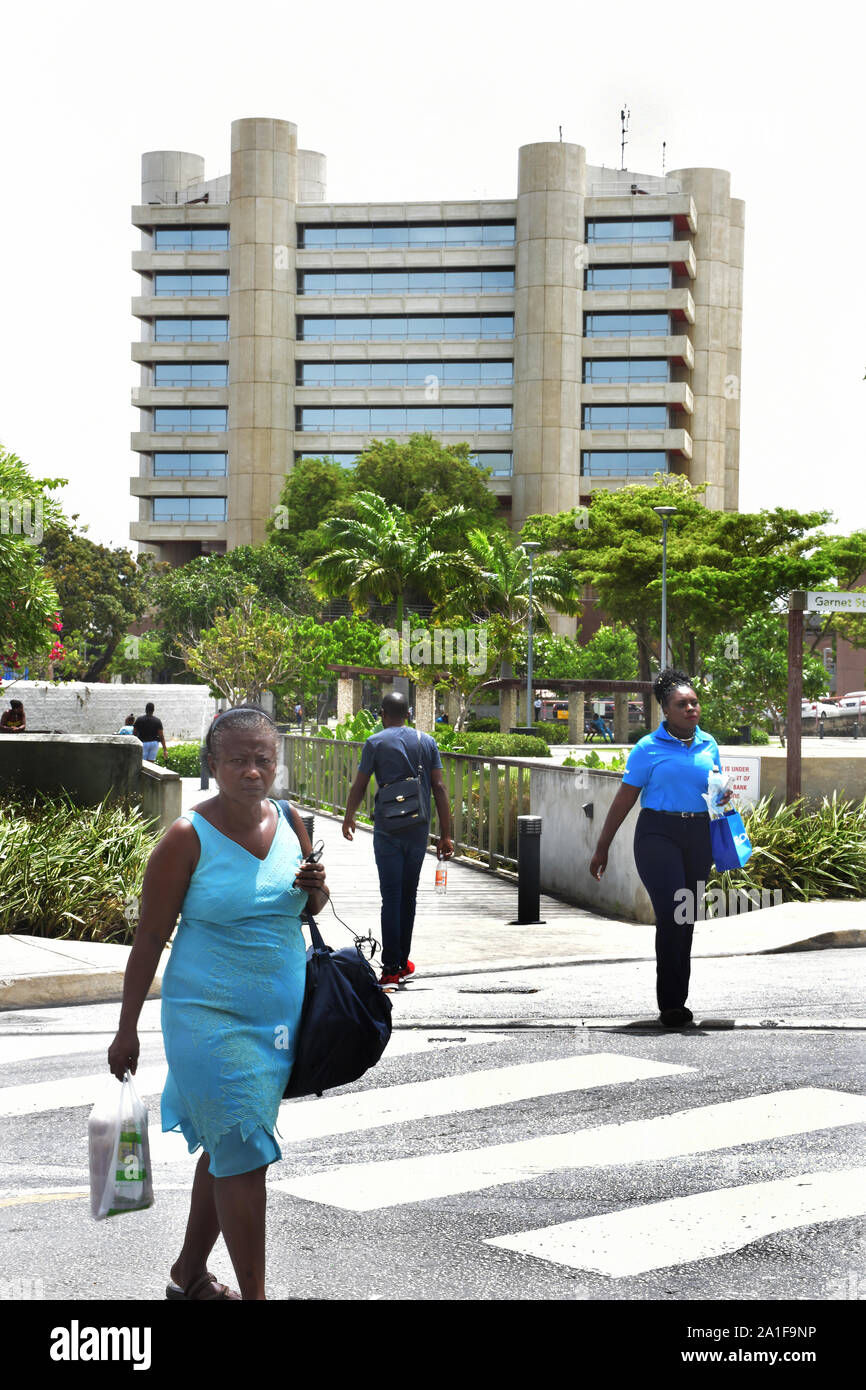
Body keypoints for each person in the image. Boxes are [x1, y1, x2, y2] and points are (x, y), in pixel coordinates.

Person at [107, 705, 328, 1300]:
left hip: (275, 1021)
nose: (253, 771)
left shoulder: (293, 821)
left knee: (228, 1141)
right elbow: (149, 938)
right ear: (213, 764)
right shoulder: (186, 837)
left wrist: (317, 892)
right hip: (204, 1016)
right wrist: (125, 1029)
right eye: (238, 760)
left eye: (264, 759)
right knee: (245, 1144)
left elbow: (306, 912)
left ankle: (188, 1273)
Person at [589, 668, 731, 1029]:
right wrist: (602, 847)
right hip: (658, 833)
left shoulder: (709, 744)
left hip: (698, 833)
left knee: (686, 918)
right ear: (665, 710)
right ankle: (670, 1004)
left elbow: (715, 794)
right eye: (682, 704)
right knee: (671, 914)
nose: (691, 709)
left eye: (694, 702)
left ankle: (678, 1000)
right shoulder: (647, 748)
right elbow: (624, 799)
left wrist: (724, 802)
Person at [341, 692, 453, 986]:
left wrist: (349, 816)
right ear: (409, 713)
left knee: (390, 896)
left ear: (382, 713)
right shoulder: (426, 742)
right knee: (409, 895)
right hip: (418, 828)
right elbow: (439, 788)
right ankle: (402, 961)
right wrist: (447, 834)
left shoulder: (375, 743)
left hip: (387, 829)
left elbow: (360, 784)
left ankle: (391, 966)